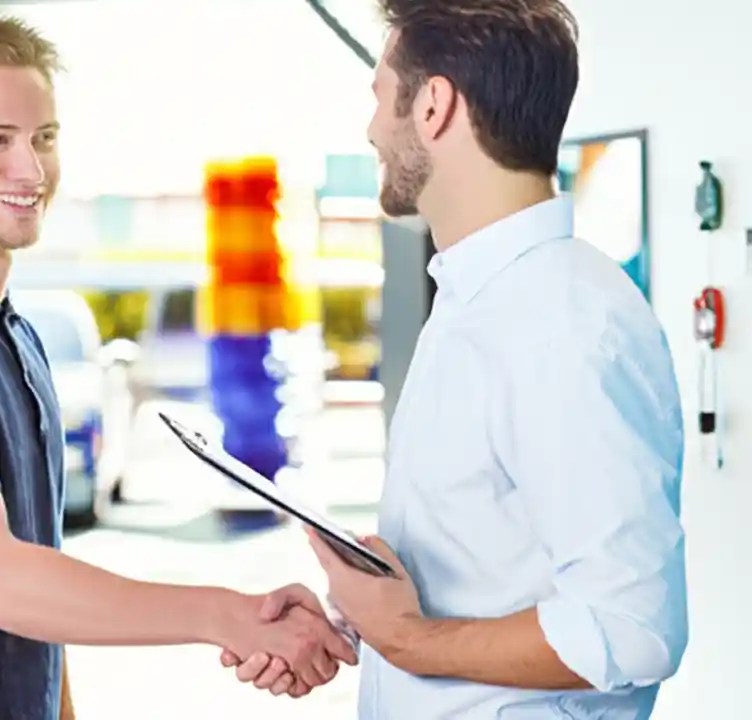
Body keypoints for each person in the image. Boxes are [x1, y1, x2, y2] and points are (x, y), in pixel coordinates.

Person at [0, 16, 356, 720]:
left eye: (44, 138)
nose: (30, 169)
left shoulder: (9, 334)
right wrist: (226, 615)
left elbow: (34, 588)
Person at [222, 0, 688, 717]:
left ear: (434, 104)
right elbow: (490, 568)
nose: (372, 128)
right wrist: (355, 618)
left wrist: (409, 639)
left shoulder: (561, 323)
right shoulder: (482, 299)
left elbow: (632, 630)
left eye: (381, 97)